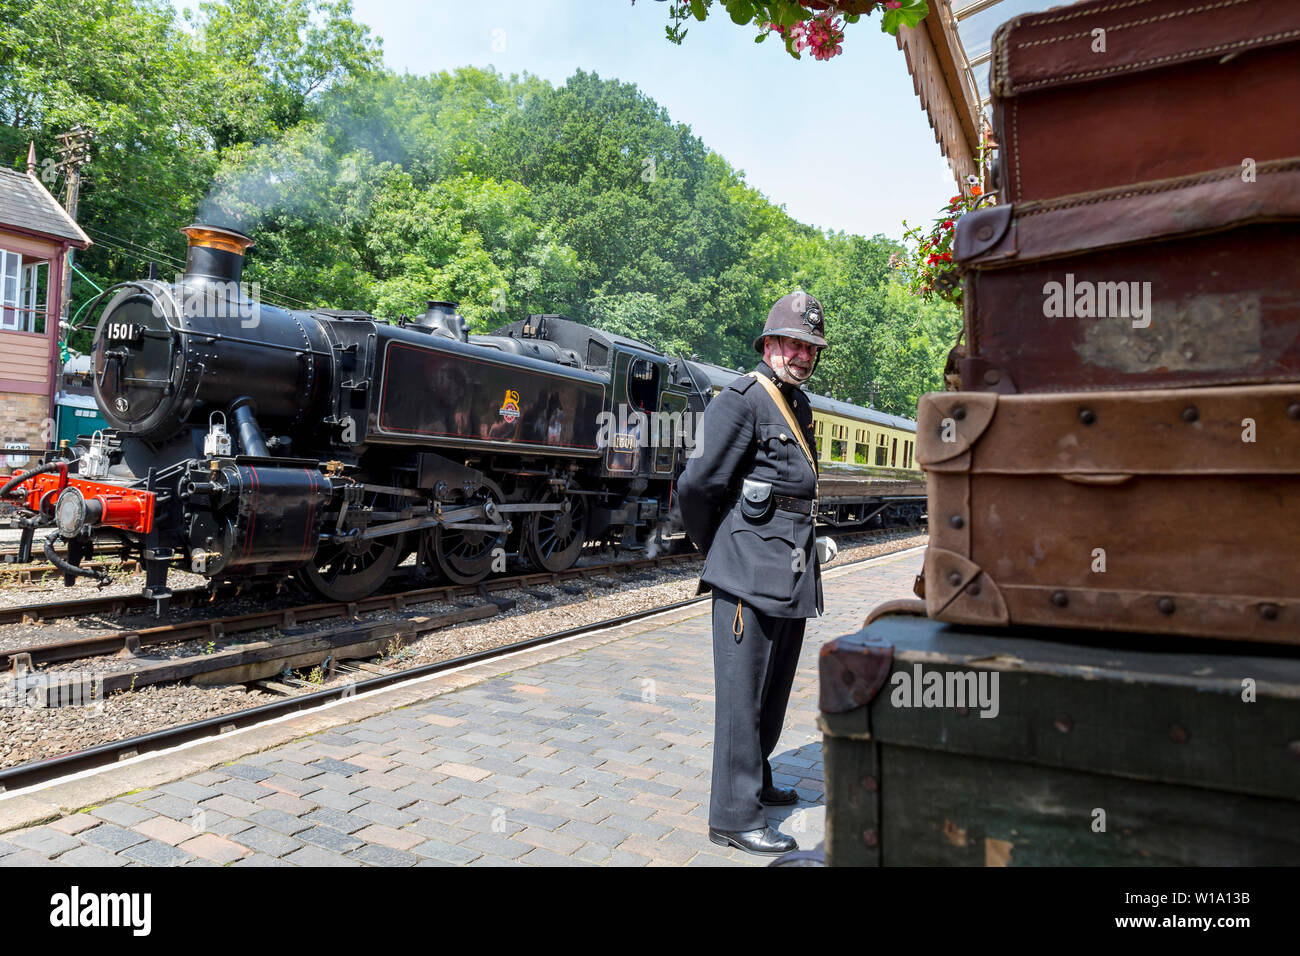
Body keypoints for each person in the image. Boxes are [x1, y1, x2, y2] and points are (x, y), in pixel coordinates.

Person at [676, 290, 830, 856]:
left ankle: (756, 782)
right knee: (742, 696)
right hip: (747, 571)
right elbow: (697, 485)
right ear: (769, 344)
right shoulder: (741, 400)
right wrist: (718, 546)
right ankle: (733, 815)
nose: (802, 354)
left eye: (810, 346)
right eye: (793, 343)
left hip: (789, 570)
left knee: (773, 690)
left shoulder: (797, 402)